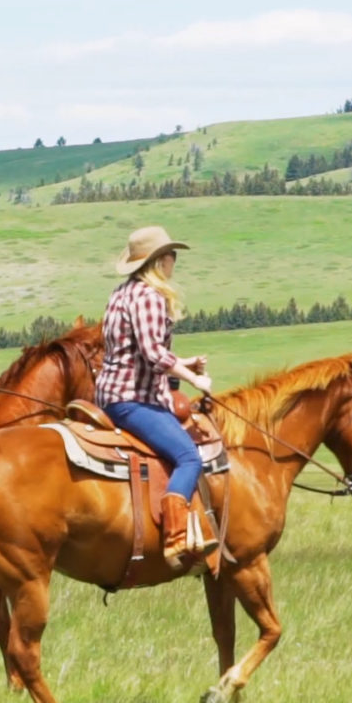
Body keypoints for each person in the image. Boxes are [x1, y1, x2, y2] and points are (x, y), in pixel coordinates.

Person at [96, 226, 218, 569]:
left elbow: (136, 351)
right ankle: (176, 536)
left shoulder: (122, 293)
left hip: (111, 393)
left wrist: (183, 362)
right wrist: (193, 377)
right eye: (171, 255)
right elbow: (152, 353)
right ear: (158, 261)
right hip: (133, 397)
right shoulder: (149, 296)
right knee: (188, 457)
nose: (174, 261)